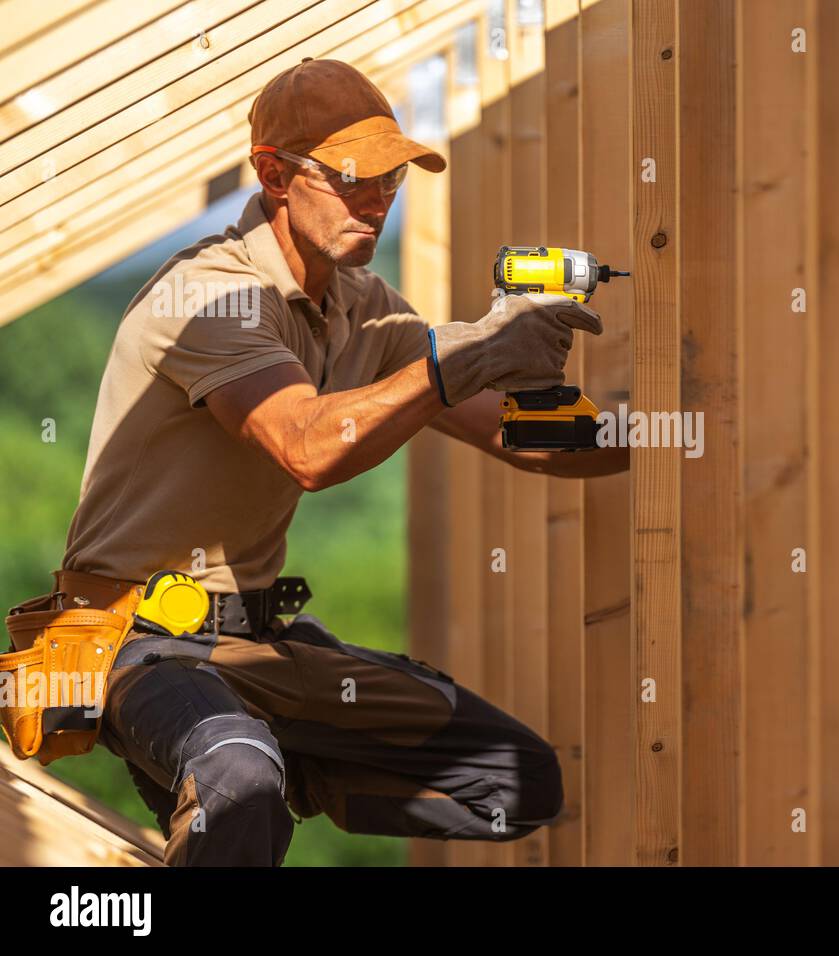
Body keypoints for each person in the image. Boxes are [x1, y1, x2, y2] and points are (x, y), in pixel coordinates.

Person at [45, 58, 625, 865]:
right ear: (274, 175)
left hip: (256, 640)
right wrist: (458, 358)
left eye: (390, 179)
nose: (377, 200)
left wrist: (650, 427)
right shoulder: (208, 296)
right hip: (135, 640)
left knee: (516, 782)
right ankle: (251, 776)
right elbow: (306, 446)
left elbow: (512, 434)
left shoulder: (361, 306)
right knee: (236, 778)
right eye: (352, 177)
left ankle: (297, 779)